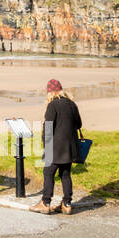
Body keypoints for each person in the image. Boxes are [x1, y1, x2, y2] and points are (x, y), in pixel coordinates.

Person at [31, 78, 82, 215]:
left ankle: (45, 203)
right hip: (70, 147)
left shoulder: (52, 105)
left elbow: (48, 128)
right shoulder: (72, 104)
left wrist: (45, 146)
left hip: (55, 147)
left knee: (48, 173)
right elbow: (79, 125)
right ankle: (67, 204)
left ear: (50, 92)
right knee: (65, 174)